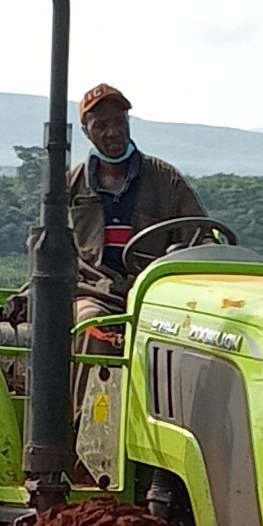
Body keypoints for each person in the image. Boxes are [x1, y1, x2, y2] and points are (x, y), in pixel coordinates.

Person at [71, 83, 207, 366]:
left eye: (119, 122)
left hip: (153, 292)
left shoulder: (165, 180)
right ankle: (90, 396)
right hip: (96, 292)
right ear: (86, 130)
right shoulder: (71, 185)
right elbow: (50, 249)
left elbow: (199, 236)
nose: (113, 132)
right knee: (91, 324)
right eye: (102, 125)